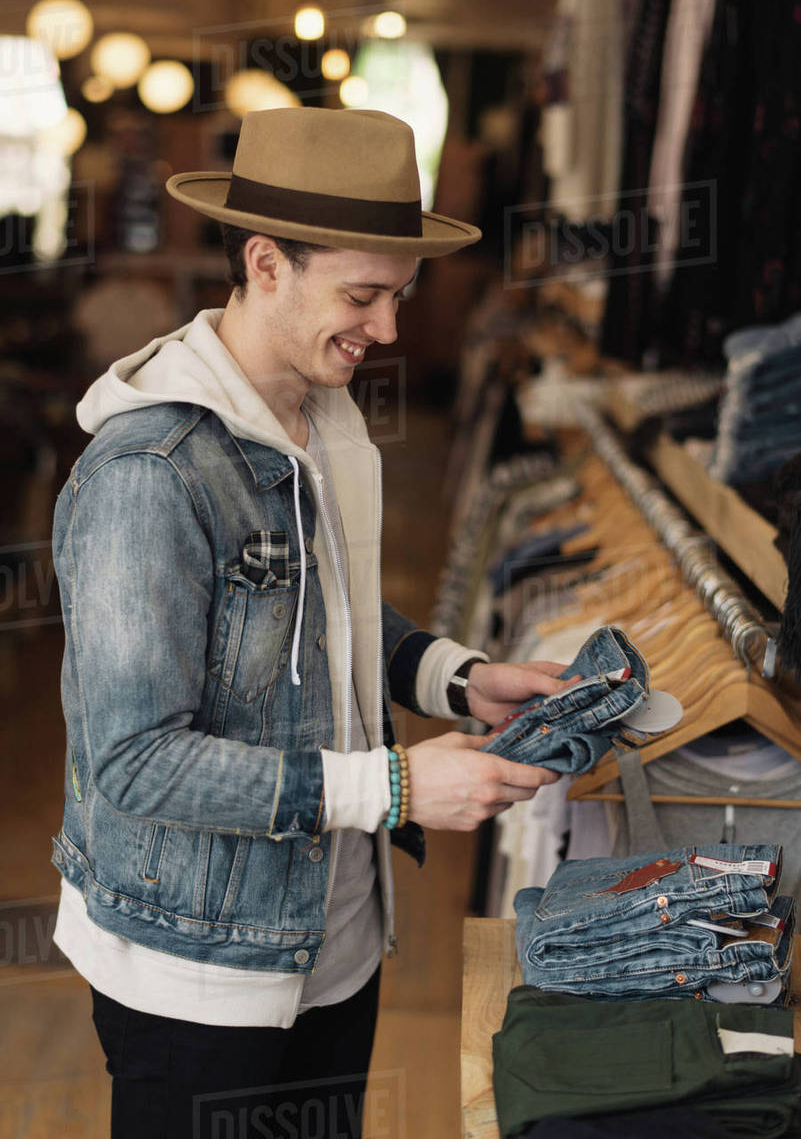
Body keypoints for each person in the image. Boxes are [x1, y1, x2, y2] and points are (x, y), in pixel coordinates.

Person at [51, 107, 573, 1139]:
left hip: (327, 938)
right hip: (195, 966)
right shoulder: (149, 474)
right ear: (264, 263)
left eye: (399, 297)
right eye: (362, 296)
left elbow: (309, 609)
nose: (386, 329)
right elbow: (136, 762)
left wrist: (455, 678)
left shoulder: (320, 413)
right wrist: (396, 784)